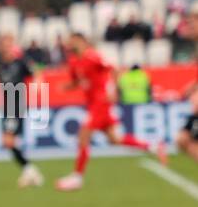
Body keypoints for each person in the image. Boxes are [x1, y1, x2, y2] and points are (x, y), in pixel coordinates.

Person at [55, 34, 167, 191]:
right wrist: (66, 87)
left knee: (83, 135)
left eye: (73, 40)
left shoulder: (92, 56)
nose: (70, 43)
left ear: (82, 41)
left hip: (101, 102)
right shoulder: (73, 61)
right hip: (93, 103)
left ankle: (77, 177)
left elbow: (113, 69)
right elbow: (77, 81)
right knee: (115, 139)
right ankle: (154, 146)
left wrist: (114, 89)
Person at [0, 33, 43, 186]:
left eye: (9, 44)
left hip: (17, 105)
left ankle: (30, 171)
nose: (6, 48)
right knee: (9, 141)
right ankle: (29, 171)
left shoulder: (21, 62)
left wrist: (38, 83)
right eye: (4, 44)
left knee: (8, 140)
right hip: (6, 106)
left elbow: (36, 73)